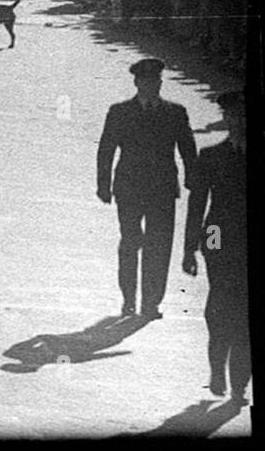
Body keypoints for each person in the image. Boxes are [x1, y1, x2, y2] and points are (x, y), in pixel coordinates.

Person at [96, 58, 197, 319]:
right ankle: (129, 299)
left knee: (159, 246)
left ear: (160, 83)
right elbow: (106, 148)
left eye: (156, 81)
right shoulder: (119, 111)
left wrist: (192, 178)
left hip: (162, 189)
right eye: (146, 81)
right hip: (128, 187)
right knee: (131, 241)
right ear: (137, 83)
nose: (151, 86)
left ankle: (151, 303)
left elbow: (187, 148)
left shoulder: (175, 112)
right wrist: (103, 185)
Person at [182, 91, 250, 403]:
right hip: (218, 236)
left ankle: (239, 383)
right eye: (234, 116)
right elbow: (197, 203)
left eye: (244, 116)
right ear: (226, 120)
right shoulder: (211, 156)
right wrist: (190, 248)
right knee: (219, 305)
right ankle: (217, 367)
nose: (240, 122)